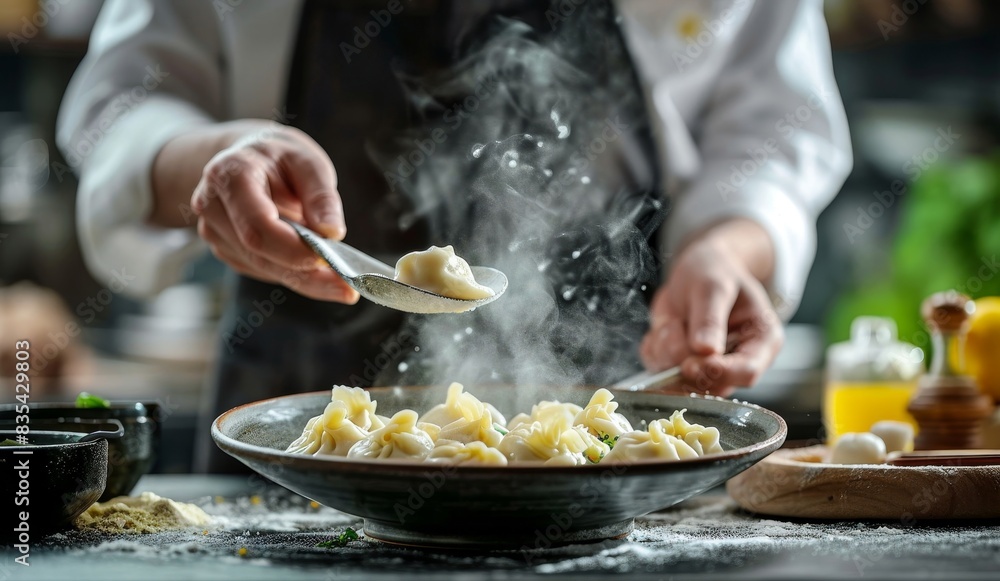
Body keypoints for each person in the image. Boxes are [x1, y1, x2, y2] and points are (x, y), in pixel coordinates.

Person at [57, 0, 851, 471]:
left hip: (620, 414)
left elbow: (776, 120)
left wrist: (727, 244)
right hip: (292, 412)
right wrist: (208, 160)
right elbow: (122, 101)